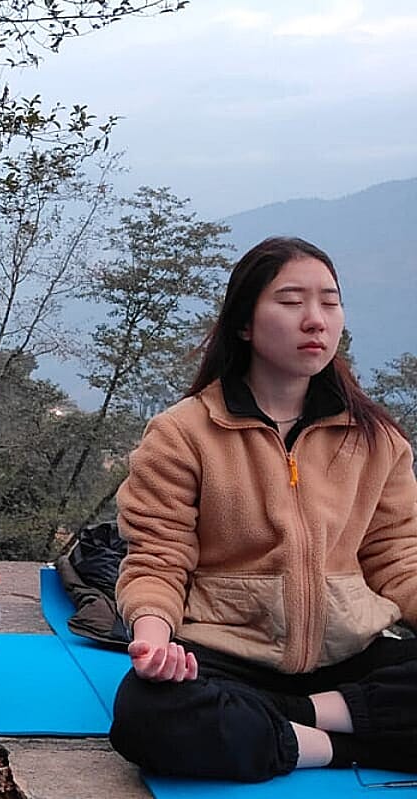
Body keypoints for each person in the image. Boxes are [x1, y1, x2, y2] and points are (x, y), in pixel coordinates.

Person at [109, 237, 417, 781]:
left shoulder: (377, 441)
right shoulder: (182, 434)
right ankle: (347, 746)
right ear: (245, 325)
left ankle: (291, 727)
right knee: (147, 713)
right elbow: (158, 557)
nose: (316, 320)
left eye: (329, 301)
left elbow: (398, 559)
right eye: (292, 302)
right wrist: (154, 638)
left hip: (349, 658)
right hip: (228, 654)